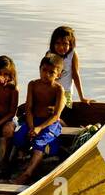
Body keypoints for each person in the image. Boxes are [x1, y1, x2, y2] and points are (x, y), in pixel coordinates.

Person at [12, 53, 65, 184]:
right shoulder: (33, 85)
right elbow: (28, 108)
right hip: (33, 120)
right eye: (44, 70)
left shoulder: (58, 89)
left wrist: (39, 128)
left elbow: (56, 115)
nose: (46, 75)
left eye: (51, 72)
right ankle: (19, 159)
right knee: (18, 138)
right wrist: (31, 127)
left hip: (50, 124)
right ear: (39, 69)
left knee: (39, 142)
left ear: (58, 74)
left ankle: (27, 173)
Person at [49, 25, 90, 112]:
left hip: (66, 93)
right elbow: (45, 74)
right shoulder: (49, 55)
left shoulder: (72, 55)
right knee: (46, 110)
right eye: (58, 43)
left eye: (65, 44)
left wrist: (81, 97)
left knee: (58, 111)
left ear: (70, 44)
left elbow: (75, 75)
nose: (61, 47)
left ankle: (61, 122)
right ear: (53, 44)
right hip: (51, 92)